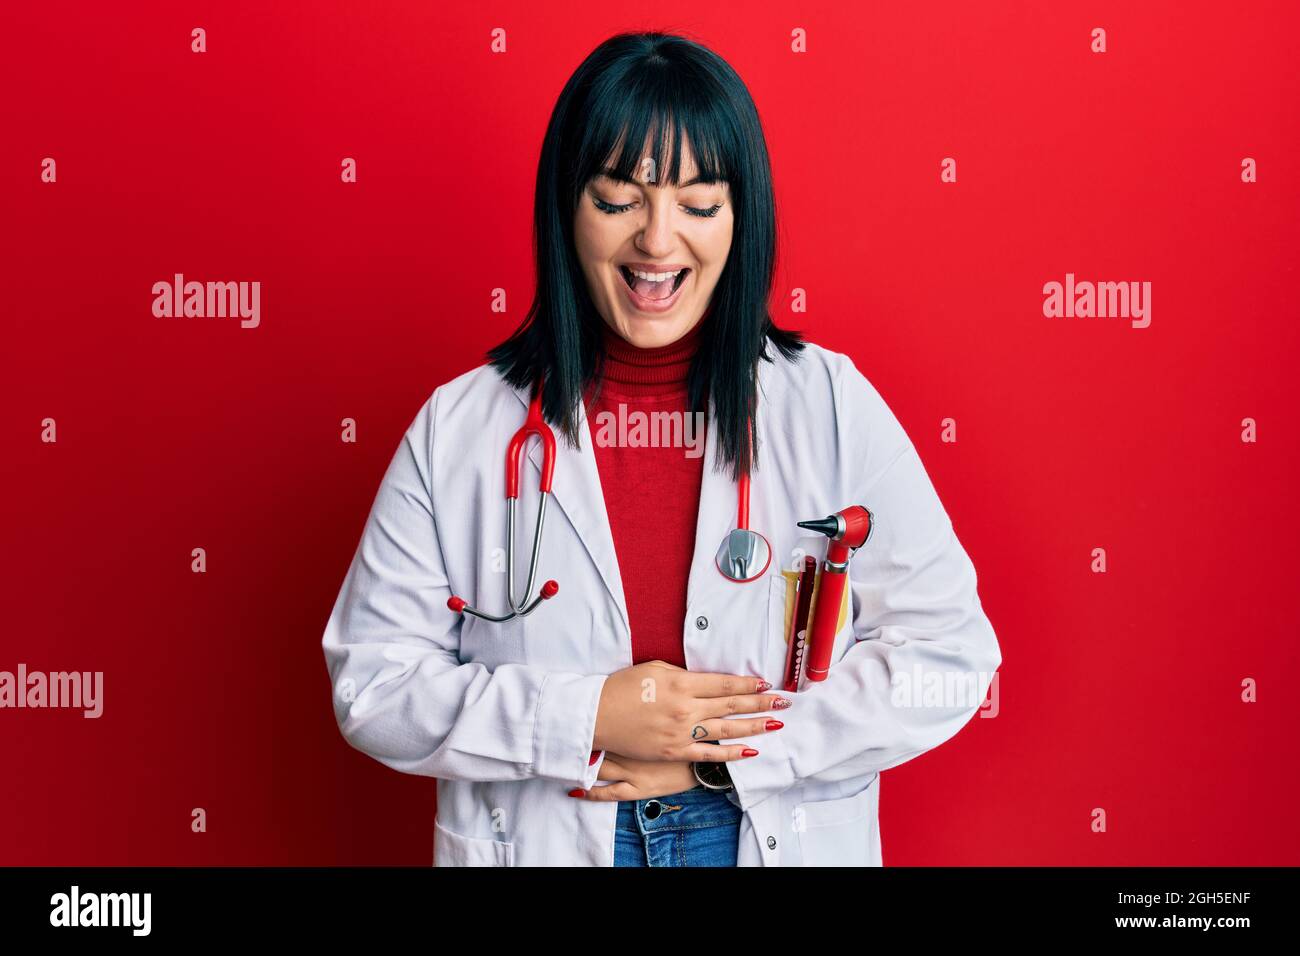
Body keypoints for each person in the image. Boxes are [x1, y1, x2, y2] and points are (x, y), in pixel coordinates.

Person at [321, 31, 1001, 867]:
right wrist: (587, 718)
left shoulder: (827, 405)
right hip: (548, 834)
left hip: (761, 831)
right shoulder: (459, 429)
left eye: (699, 204)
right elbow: (373, 687)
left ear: (740, 217)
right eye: (617, 200)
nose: (657, 241)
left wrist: (725, 746)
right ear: (565, 209)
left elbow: (952, 659)